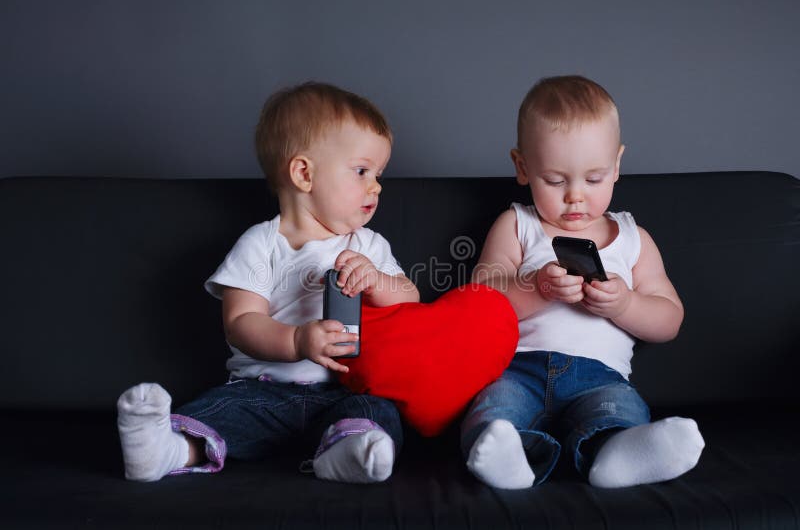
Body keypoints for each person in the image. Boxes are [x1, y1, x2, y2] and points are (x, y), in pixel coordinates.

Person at [117, 82, 419, 484]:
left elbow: (411, 297)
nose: (376, 186)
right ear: (304, 173)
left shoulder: (367, 245)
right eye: (362, 171)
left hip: (346, 389)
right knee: (225, 409)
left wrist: (379, 281)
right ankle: (167, 448)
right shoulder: (262, 243)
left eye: (379, 174)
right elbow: (241, 321)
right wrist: (296, 342)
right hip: (266, 389)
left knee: (377, 412)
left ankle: (350, 452)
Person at [462, 75, 705, 489]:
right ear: (523, 167)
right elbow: (478, 303)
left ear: (617, 165)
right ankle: (510, 458)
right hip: (517, 370)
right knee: (493, 408)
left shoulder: (633, 239)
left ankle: (617, 454)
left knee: (619, 409)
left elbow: (670, 320)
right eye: (555, 180)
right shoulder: (517, 225)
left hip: (601, 376)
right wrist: (535, 288)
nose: (575, 196)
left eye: (594, 179)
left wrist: (625, 304)